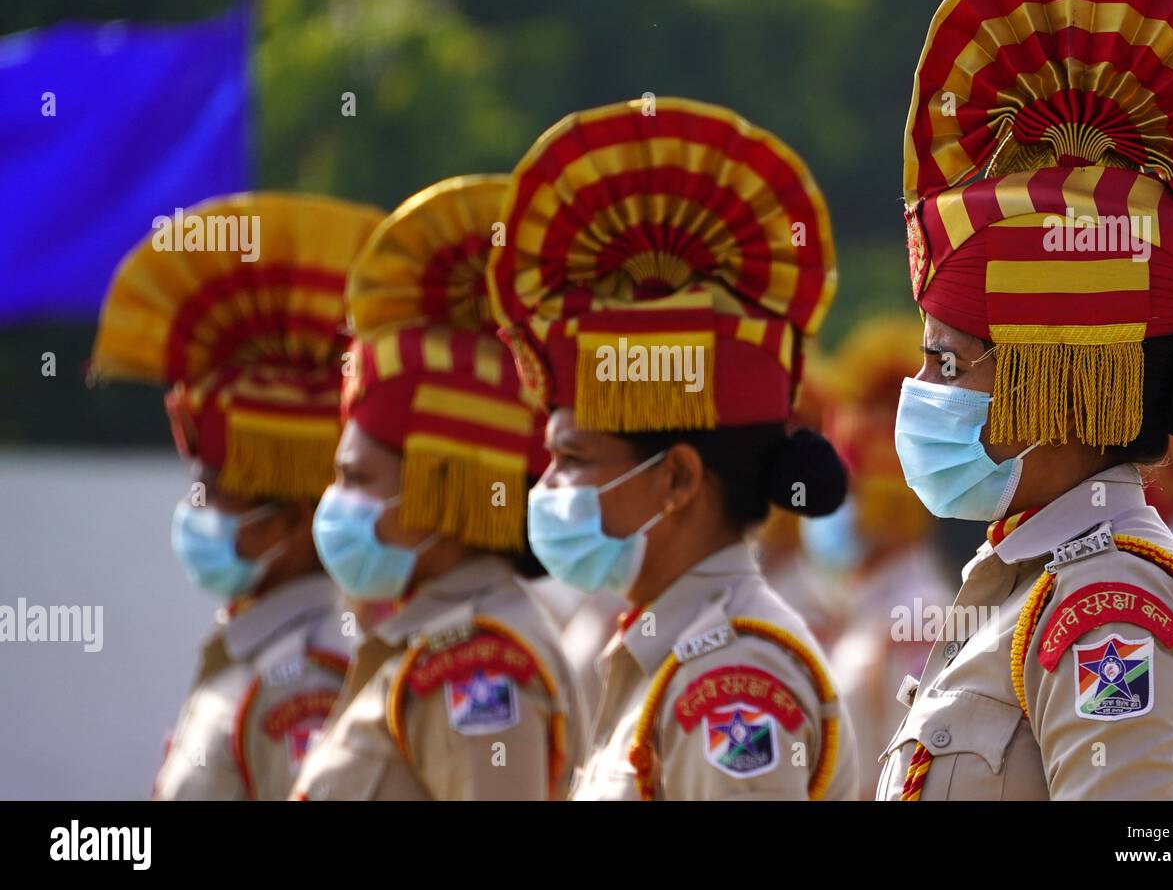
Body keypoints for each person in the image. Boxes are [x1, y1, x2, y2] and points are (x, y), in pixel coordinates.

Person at [877, 0, 1173, 800]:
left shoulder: (1110, 601)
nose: (925, 394)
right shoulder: (1025, 576)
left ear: (1058, 380)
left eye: (946, 362)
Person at [488, 97, 861, 799]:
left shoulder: (728, 687)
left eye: (574, 460)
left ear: (679, 480)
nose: (546, 488)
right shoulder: (664, 657)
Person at [290, 174, 586, 800]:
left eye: (358, 478)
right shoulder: (427, 641)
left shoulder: (478, 666)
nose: (335, 503)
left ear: (445, 485)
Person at [90, 193, 384, 799]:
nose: (197, 511)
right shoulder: (254, 654)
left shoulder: (302, 686)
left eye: (217, 493)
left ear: (296, 521)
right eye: (199, 487)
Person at [802, 316, 951, 795]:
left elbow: (919, 777)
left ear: (883, 499)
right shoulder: (852, 605)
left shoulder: (921, 613)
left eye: (844, 489)